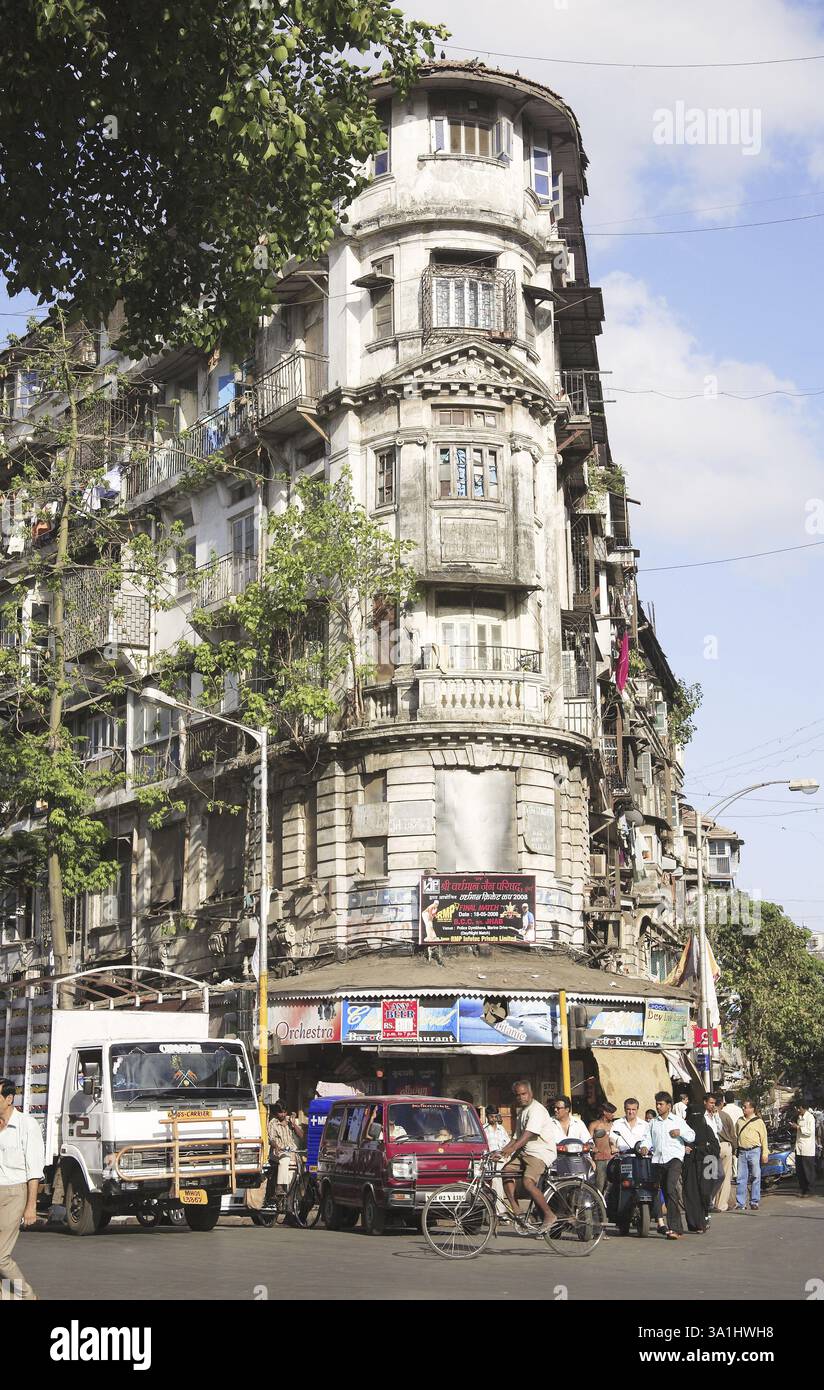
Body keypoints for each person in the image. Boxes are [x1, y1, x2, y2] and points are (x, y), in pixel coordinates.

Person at [0, 1077, 44, 1301]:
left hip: (14, 1193)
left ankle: (27, 1296)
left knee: (0, 1256)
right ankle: (9, 1298)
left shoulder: (27, 1125)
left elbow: (34, 1169)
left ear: (9, 1099)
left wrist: (31, 1206)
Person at [497, 1080, 556, 1233]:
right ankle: (517, 1211)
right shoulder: (522, 1111)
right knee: (506, 1171)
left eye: (524, 1094)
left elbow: (528, 1134)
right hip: (525, 1152)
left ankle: (549, 1215)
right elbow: (516, 1137)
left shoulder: (536, 1110)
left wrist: (512, 1150)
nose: (521, 1097)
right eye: (518, 1095)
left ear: (530, 1093)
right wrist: (501, 1151)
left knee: (528, 1182)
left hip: (540, 1153)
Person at [647, 1090, 695, 1239]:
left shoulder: (677, 1121)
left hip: (674, 1159)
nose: (658, 1107)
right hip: (657, 1160)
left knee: (670, 1187)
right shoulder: (653, 1123)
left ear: (668, 1105)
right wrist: (644, 1146)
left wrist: (680, 1132)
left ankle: (674, 1228)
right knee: (658, 1191)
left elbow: (692, 1135)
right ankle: (668, 1225)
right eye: (657, 1104)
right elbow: (647, 1139)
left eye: (661, 1104)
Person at [681, 1098, 721, 1233]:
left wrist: (701, 1150)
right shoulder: (684, 1131)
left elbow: (715, 1148)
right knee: (691, 1193)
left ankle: (704, 1215)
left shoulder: (707, 1129)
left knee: (705, 1192)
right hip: (690, 1166)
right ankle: (695, 1223)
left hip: (706, 1164)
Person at [733, 1100, 769, 1212]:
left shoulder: (759, 1122)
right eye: (743, 1107)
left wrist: (765, 1153)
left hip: (754, 1151)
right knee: (741, 1178)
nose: (744, 1109)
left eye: (746, 1107)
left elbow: (764, 1138)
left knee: (755, 1176)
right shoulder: (739, 1121)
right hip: (742, 1152)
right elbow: (736, 1135)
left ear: (752, 1109)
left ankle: (754, 1201)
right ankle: (740, 1202)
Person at [267, 1100, 305, 1195]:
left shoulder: (289, 1120)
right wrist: (276, 1146)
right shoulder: (273, 1123)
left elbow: (302, 1136)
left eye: (284, 1112)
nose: (283, 1114)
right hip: (279, 1151)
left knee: (304, 1162)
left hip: (292, 1150)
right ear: (276, 1113)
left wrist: (294, 1124)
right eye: (280, 1112)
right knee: (285, 1160)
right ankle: (280, 1186)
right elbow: (271, 1139)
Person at [713, 1092, 738, 1212]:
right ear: (722, 1103)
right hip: (725, 1146)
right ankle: (721, 1204)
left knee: (712, 1176)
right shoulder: (725, 1116)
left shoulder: (708, 1115)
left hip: (712, 1148)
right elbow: (732, 1135)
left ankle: (711, 1202)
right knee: (726, 1177)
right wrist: (735, 1148)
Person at [789, 1099, 817, 1198]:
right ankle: (803, 1188)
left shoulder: (810, 1118)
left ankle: (810, 1190)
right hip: (799, 1146)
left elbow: (809, 1132)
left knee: (808, 1170)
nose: (797, 1110)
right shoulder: (799, 1117)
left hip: (807, 1148)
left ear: (802, 1107)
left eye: (799, 1108)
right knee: (800, 1170)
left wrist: (799, 1128)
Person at [589, 1102, 617, 1192]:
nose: (613, 1115)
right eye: (611, 1112)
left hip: (612, 1158)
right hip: (599, 1159)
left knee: (611, 1185)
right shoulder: (594, 1125)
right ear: (605, 1112)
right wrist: (593, 1147)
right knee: (599, 1184)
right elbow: (588, 1140)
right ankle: (598, 1204)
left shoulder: (614, 1125)